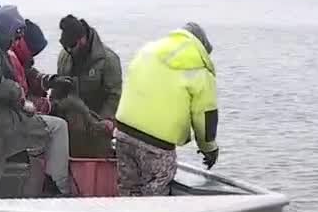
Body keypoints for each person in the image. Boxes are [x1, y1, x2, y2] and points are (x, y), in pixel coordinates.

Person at [0, 5, 74, 198]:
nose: (16, 42)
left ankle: (28, 189)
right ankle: (57, 188)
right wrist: (19, 92)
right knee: (58, 127)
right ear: (9, 31)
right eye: (16, 36)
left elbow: (28, 75)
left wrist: (48, 82)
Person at [113, 22, 219, 196]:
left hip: (124, 133)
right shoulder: (199, 70)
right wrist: (209, 149)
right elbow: (205, 117)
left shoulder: (147, 50)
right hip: (157, 145)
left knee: (128, 189)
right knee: (156, 193)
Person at [55, 15, 123, 121]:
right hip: (69, 121)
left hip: (97, 121)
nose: (68, 49)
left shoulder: (108, 60)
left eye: (72, 45)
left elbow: (114, 96)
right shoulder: (64, 56)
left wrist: (102, 121)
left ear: (82, 39)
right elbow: (59, 89)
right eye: (65, 46)